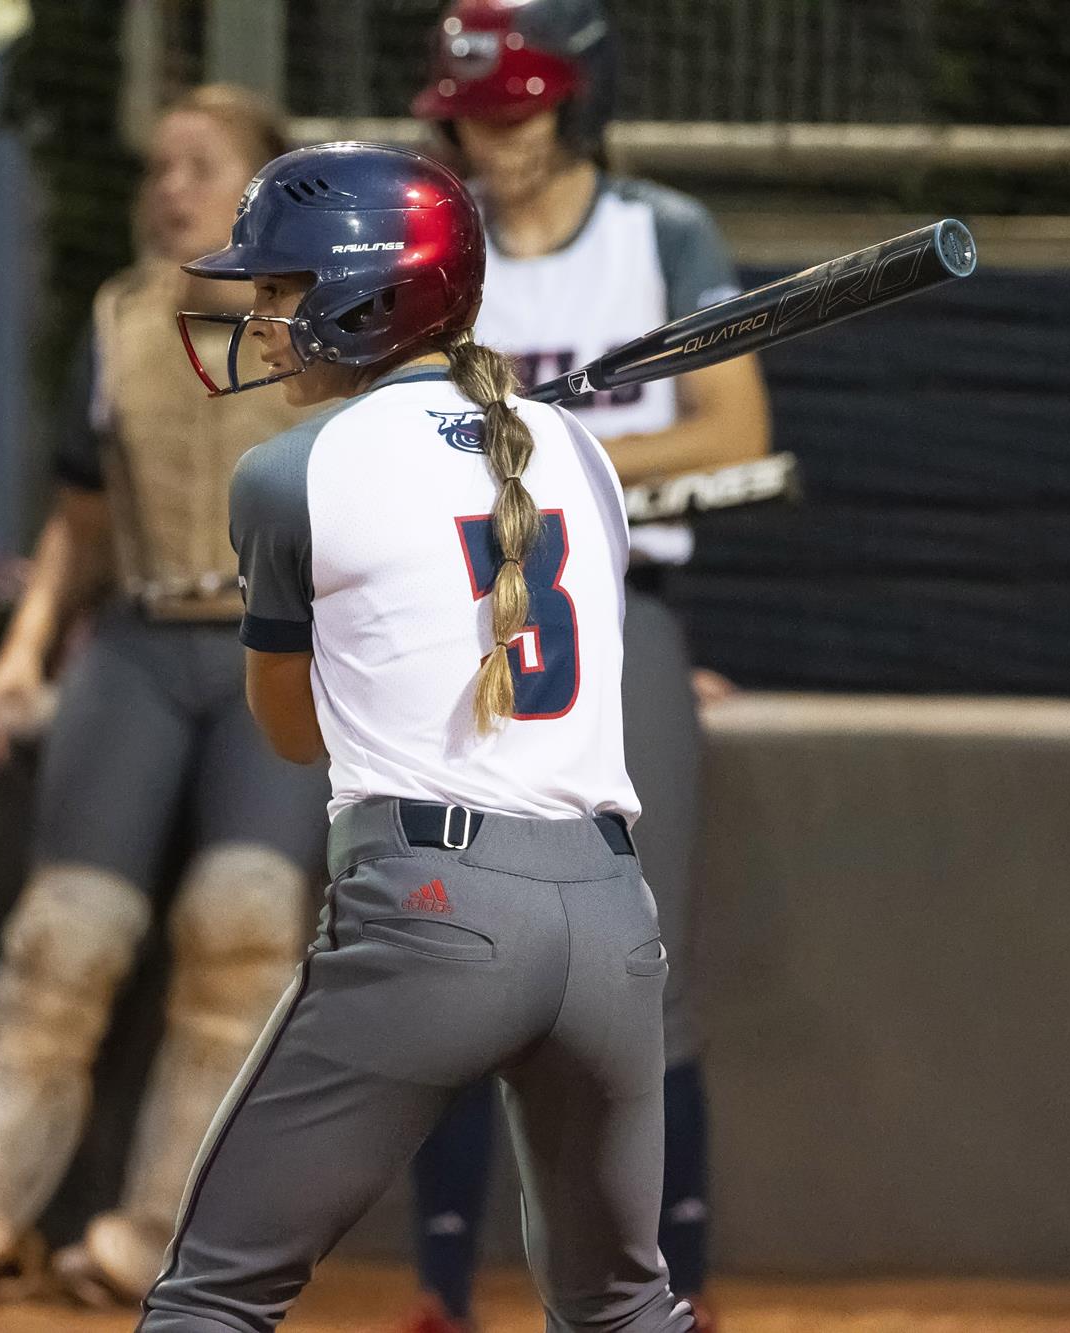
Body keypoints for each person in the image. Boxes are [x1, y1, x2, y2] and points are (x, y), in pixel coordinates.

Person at [138, 139, 694, 1333]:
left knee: (211, 1298)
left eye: (284, 294)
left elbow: (289, 733)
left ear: (368, 298)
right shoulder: (579, 453)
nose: (267, 322)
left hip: (433, 914)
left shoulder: (290, 473)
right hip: (609, 927)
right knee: (622, 1311)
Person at [0, 84, 326, 1309]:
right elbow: (80, 518)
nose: (168, 186)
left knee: (240, 925)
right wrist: (26, 647)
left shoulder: (326, 325)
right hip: (139, 640)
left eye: (202, 166)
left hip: (275, 645)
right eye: (161, 167)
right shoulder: (121, 318)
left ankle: (159, 1229)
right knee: (63, 936)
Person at [399, 3, 774, 1328]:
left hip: (617, 614)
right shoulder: (435, 249)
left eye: (516, 108)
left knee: (636, 960)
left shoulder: (657, 233)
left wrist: (552, 452)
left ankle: (674, 1289)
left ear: (577, 101)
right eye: (469, 114)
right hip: (455, 622)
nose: (489, 138)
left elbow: (731, 420)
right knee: (446, 951)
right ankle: (442, 1288)